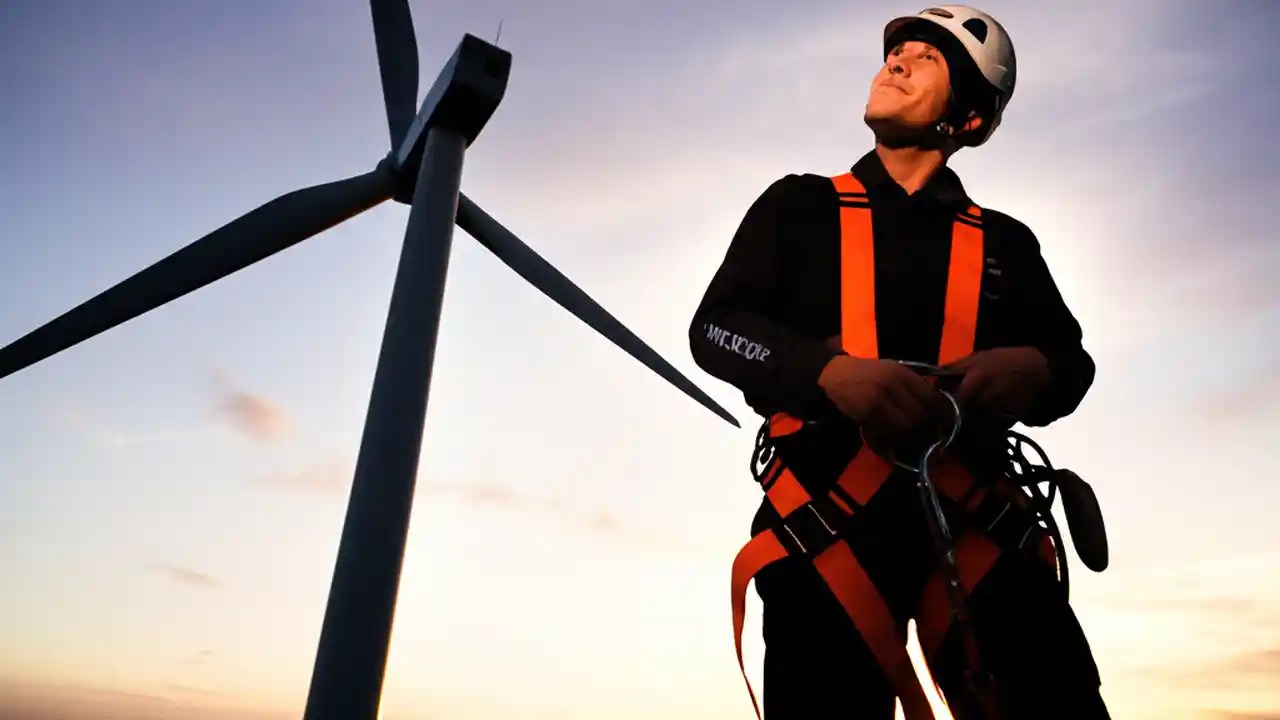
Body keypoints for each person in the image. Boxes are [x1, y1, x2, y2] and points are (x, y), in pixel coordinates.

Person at [689, 6, 1110, 719]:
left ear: (969, 120)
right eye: (898, 51)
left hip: (980, 527)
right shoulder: (799, 208)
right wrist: (827, 375)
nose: (897, 61)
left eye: (928, 58)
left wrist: (1035, 369)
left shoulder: (1007, 245)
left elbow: (1073, 366)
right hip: (825, 527)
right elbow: (716, 330)